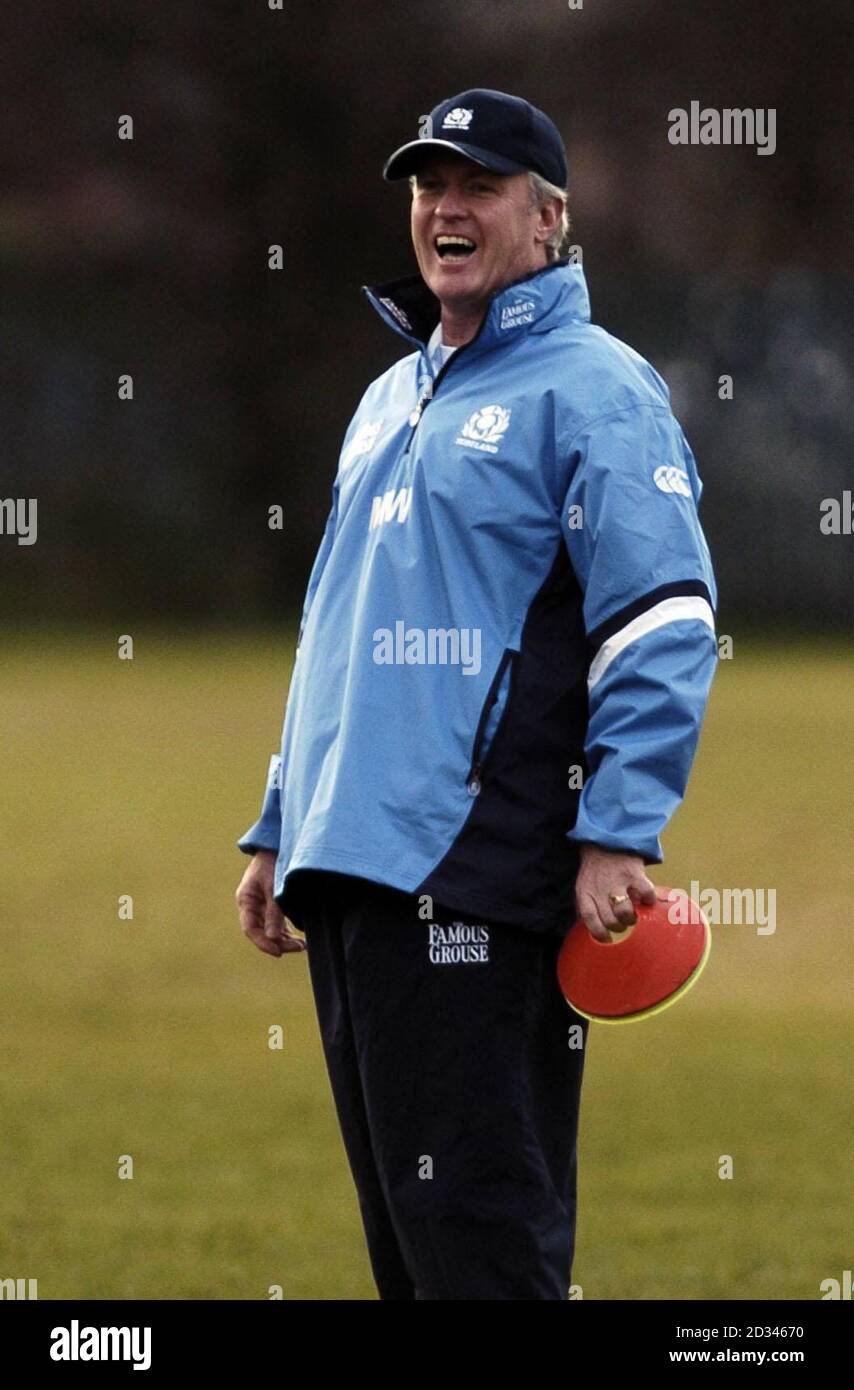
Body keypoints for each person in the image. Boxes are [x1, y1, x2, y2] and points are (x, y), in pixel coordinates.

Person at [234, 88, 718, 1300]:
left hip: (477, 870)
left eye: (477, 186)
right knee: (409, 1249)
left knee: (480, 1244)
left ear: (546, 218)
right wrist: (278, 820)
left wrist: (615, 828)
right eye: (425, 185)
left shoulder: (597, 390)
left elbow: (661, 621)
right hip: (351, 867)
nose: (443, 208)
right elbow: (332, 630)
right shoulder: (389, 395)